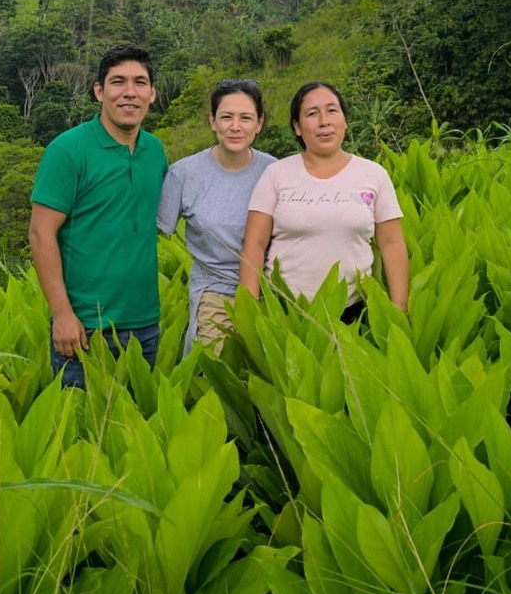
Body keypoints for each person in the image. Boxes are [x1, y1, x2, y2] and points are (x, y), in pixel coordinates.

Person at [28, 44, 168, 387]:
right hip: (85, 328)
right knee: (81, 434)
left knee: (136, 433)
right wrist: (62, 315)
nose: (130, 93)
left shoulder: (155, 150)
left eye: (140, 82)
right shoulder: (67, 150)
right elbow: (40, 234)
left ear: (152, 93)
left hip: (145, 324)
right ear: (99, 91)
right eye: (118, 82)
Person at [239, 80, 409, 322]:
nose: (324, 121)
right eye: (312, 114)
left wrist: (399, 309)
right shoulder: (276, 174)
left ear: (344, 120)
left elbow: (392, 243)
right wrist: (251, 312)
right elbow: (254, 245)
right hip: (285, 310)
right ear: (297, 127)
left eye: (332, 110)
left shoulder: (373, 175)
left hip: (354, 310)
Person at [158, 78, 276, 353]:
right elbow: (156, 231)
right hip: (214, 291)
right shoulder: (183, 174)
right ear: (212, 121)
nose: (235, 126)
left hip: (271, 291)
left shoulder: (274, 171)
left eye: (246, 118)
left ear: (259, 123)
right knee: (217, 376)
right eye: (226, 117)